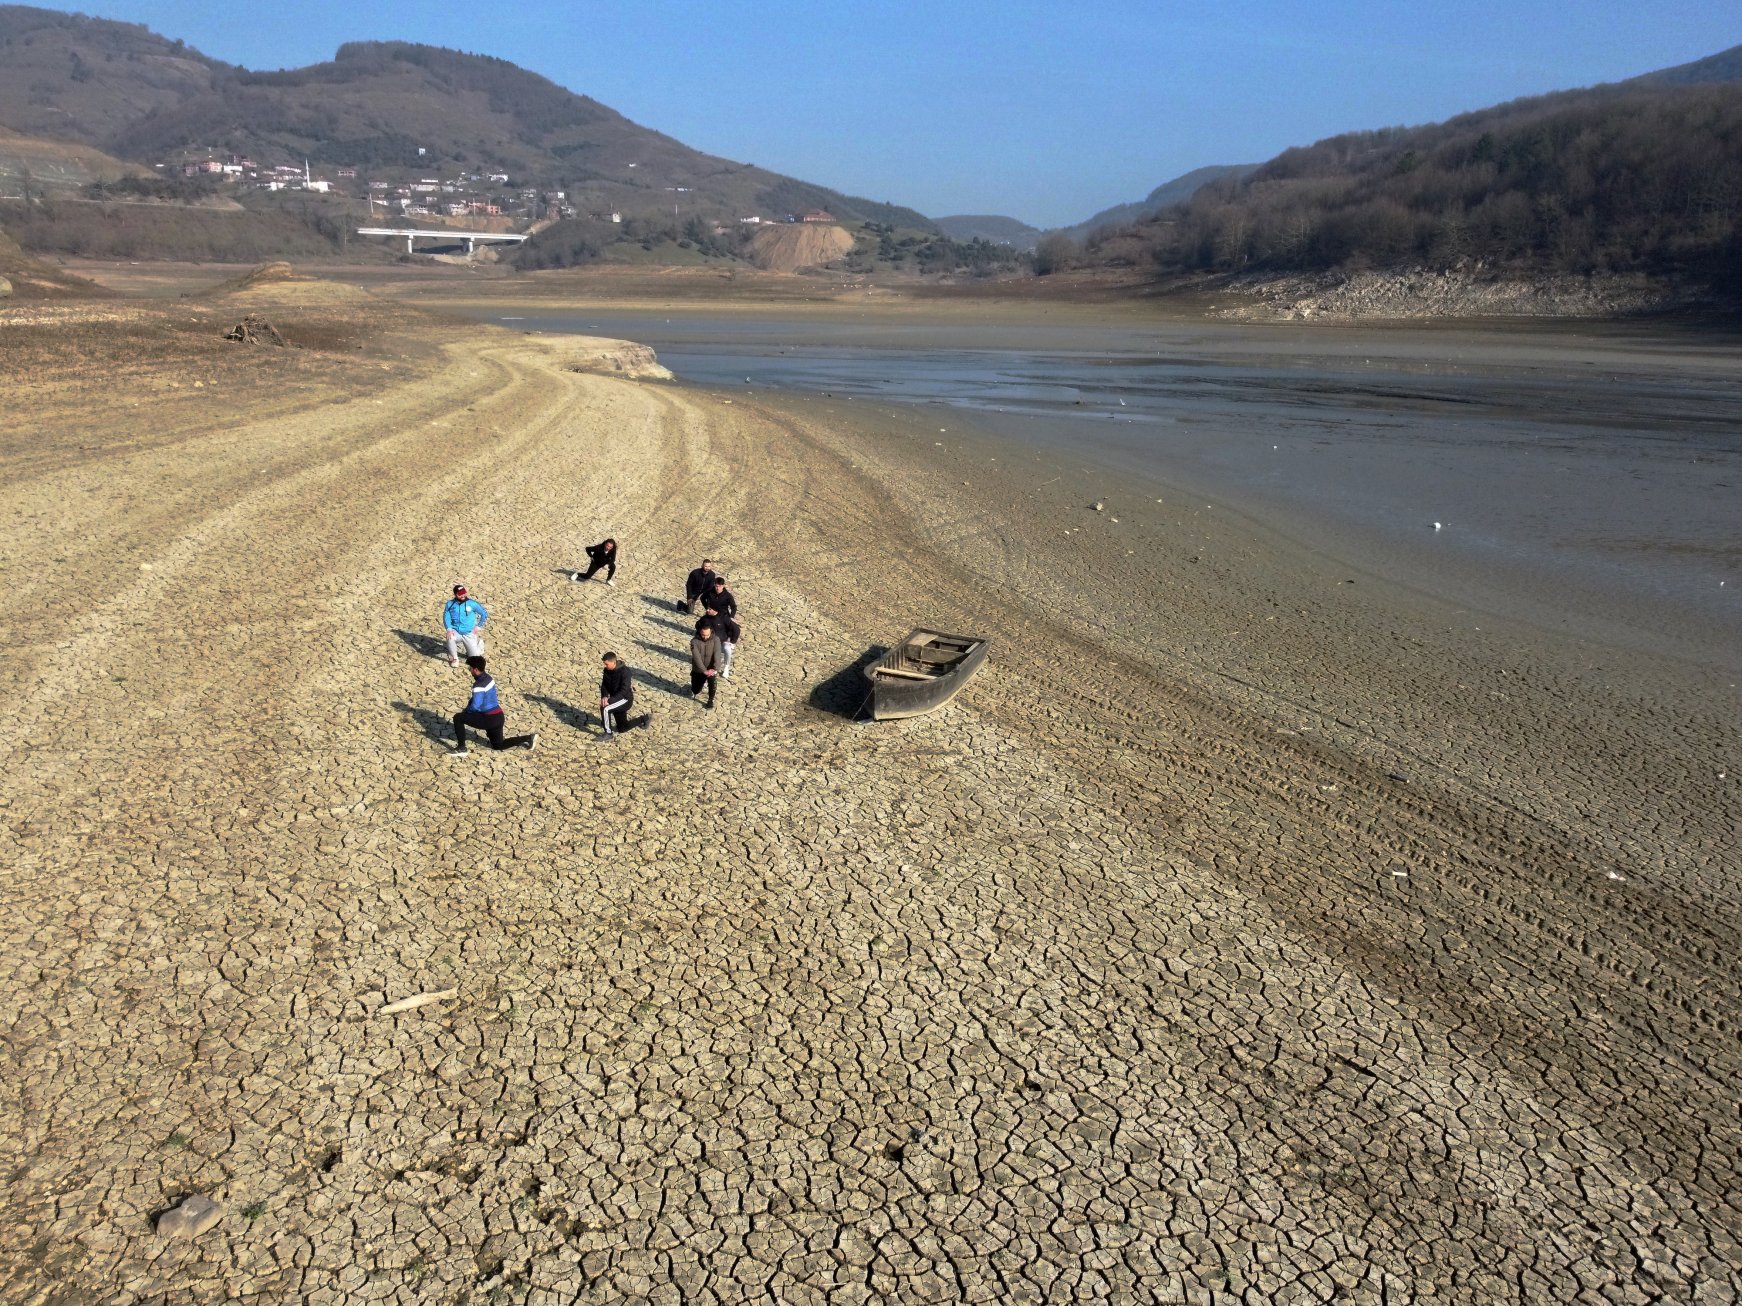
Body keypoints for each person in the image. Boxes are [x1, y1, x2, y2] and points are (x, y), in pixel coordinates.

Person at [451, 656, 536, 754]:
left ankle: (462, 748)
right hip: (498, 717)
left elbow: (476, 705)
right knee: (498, 745)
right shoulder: (489, 678)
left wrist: (466, 712)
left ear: (475, 669)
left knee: (458, 718)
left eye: (469, 668)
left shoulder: (479, 685)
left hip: (488, 719)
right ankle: (529, 738)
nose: (469, 671)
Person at [597, 650, 652, 740]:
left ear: (613, 662)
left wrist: (610, 701)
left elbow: (624, 691)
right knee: (622, 728)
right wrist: (604, 696)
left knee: (606, 708)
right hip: (616, 699)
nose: (605, 666)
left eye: (607, 664)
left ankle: (608, 733)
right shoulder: (607, 671)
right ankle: (645, 718)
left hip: (625, 700)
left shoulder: (625, 672)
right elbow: (604, 685)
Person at [700, 575, 740, 678]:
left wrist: (731, 617)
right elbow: (702, 597)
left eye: (719, 586)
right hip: (711, 616)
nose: (717, 588)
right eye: (716, 585)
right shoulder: (710, 591)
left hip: (723, 617)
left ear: (723, 586)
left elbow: (733, 607)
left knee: (726, 646)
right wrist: (707, 608)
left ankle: (726, 667)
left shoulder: (727, 596)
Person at [442, 584, 488, 667]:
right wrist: (449, 629)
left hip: (469, 633)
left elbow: (484, 614)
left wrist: (478, 626)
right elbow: (446, 617)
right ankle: (455, 658)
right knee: (450, 637)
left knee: (474, 657)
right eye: (460, 594)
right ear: (455, 594)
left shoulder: (472, 603)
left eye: (464, 593)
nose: (463, 595)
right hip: (456, 631)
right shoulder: (450, 604)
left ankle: (479, 646)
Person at [689, 621, 724, 708]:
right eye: (703, 635)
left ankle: (710, 700)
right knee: (696, 690)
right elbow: (696, 657)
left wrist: (715, 668)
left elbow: (717, 653)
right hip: (699, 669)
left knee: (712, 682)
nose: (705, 637)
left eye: (707, 635)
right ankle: (696, 687)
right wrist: (704, 670)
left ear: (711, 631)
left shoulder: (716, 639)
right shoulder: (694, 642)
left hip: (711, 667)